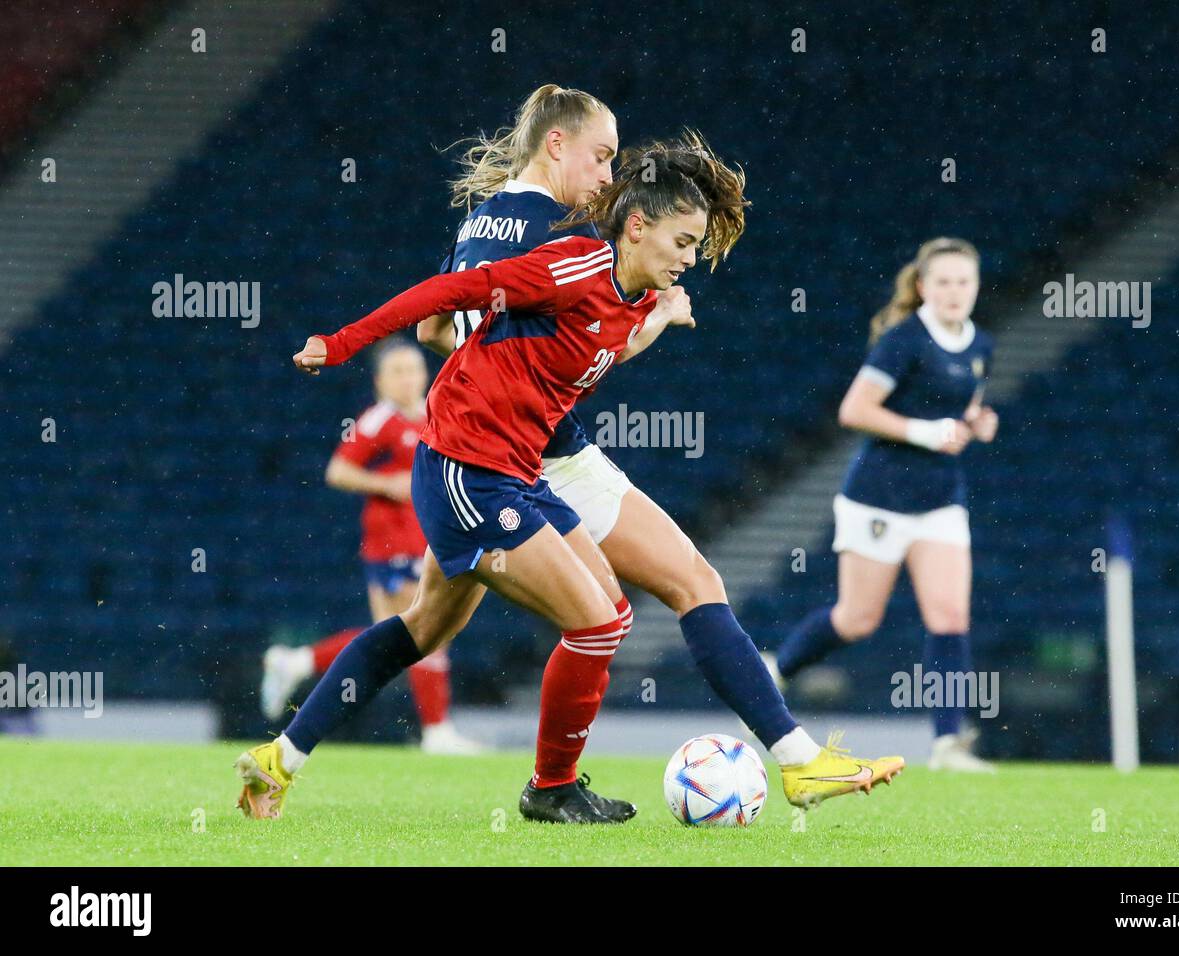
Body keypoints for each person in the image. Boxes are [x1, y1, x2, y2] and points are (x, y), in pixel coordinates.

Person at [235, 127, 902, 824]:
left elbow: (602, 338)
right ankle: (557, 788)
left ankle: (281, 759)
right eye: (681, 243)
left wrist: (664, 317)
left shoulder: (633, 293)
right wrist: (340, 344)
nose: (689, 261)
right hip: (468, 467)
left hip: (518, 471)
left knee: (431, 628)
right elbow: (448, 293)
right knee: (593, 623)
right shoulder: (569, 259)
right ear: (635, 224)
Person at [765, 238, 999, 772]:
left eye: (964, 281)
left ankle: (947, 744)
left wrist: (979, 424)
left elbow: (966, 412)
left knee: (950, 616)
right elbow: (855, 409)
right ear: (922, 287)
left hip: (941, 498)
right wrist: (923, 430)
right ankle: (776, 670)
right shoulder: (904, 341)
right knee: (856, 620)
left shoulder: (982, 344)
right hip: (879, 497)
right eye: (943, 281)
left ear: (977, 286)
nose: (954, 292)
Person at [259, 340, 482, 754]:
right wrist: (387, 485)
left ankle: (298, 662)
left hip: (421, 536)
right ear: (380, 381)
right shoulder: (379, 420)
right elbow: (338, 470)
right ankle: (436, 730)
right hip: (394, 539)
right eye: (396, 371)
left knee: (394, 635)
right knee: (422, 629)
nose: (407, 378)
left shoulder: (432, 416)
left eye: (413, 369)